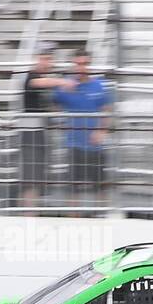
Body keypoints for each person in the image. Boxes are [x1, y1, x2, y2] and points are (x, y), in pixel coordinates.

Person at [51, 49, 113, 204]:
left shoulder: (99, 85)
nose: (81, 67)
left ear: (90, 65)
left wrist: (101, 131)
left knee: (100, 186)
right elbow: (53, 105)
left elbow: (107, 111)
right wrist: (60, 122)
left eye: (85, 64)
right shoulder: (64, 86)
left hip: (95, 146)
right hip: (73, 145)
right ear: (73, 65)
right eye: (78, 64)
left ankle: (101, 218)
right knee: (73, 187)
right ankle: (74, 220)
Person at [18, 45, 75, 210]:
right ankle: (27, 214)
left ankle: (32, 211)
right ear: (37, 59)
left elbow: (50, 105)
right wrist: (62, 81)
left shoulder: (47, 81)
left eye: (50, 59)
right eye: (44, 58)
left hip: (42, 132)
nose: (47, 62)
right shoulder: (32, 77)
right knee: (31, 177)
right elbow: (38, 83)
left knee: (38, 176)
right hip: (30, 133)